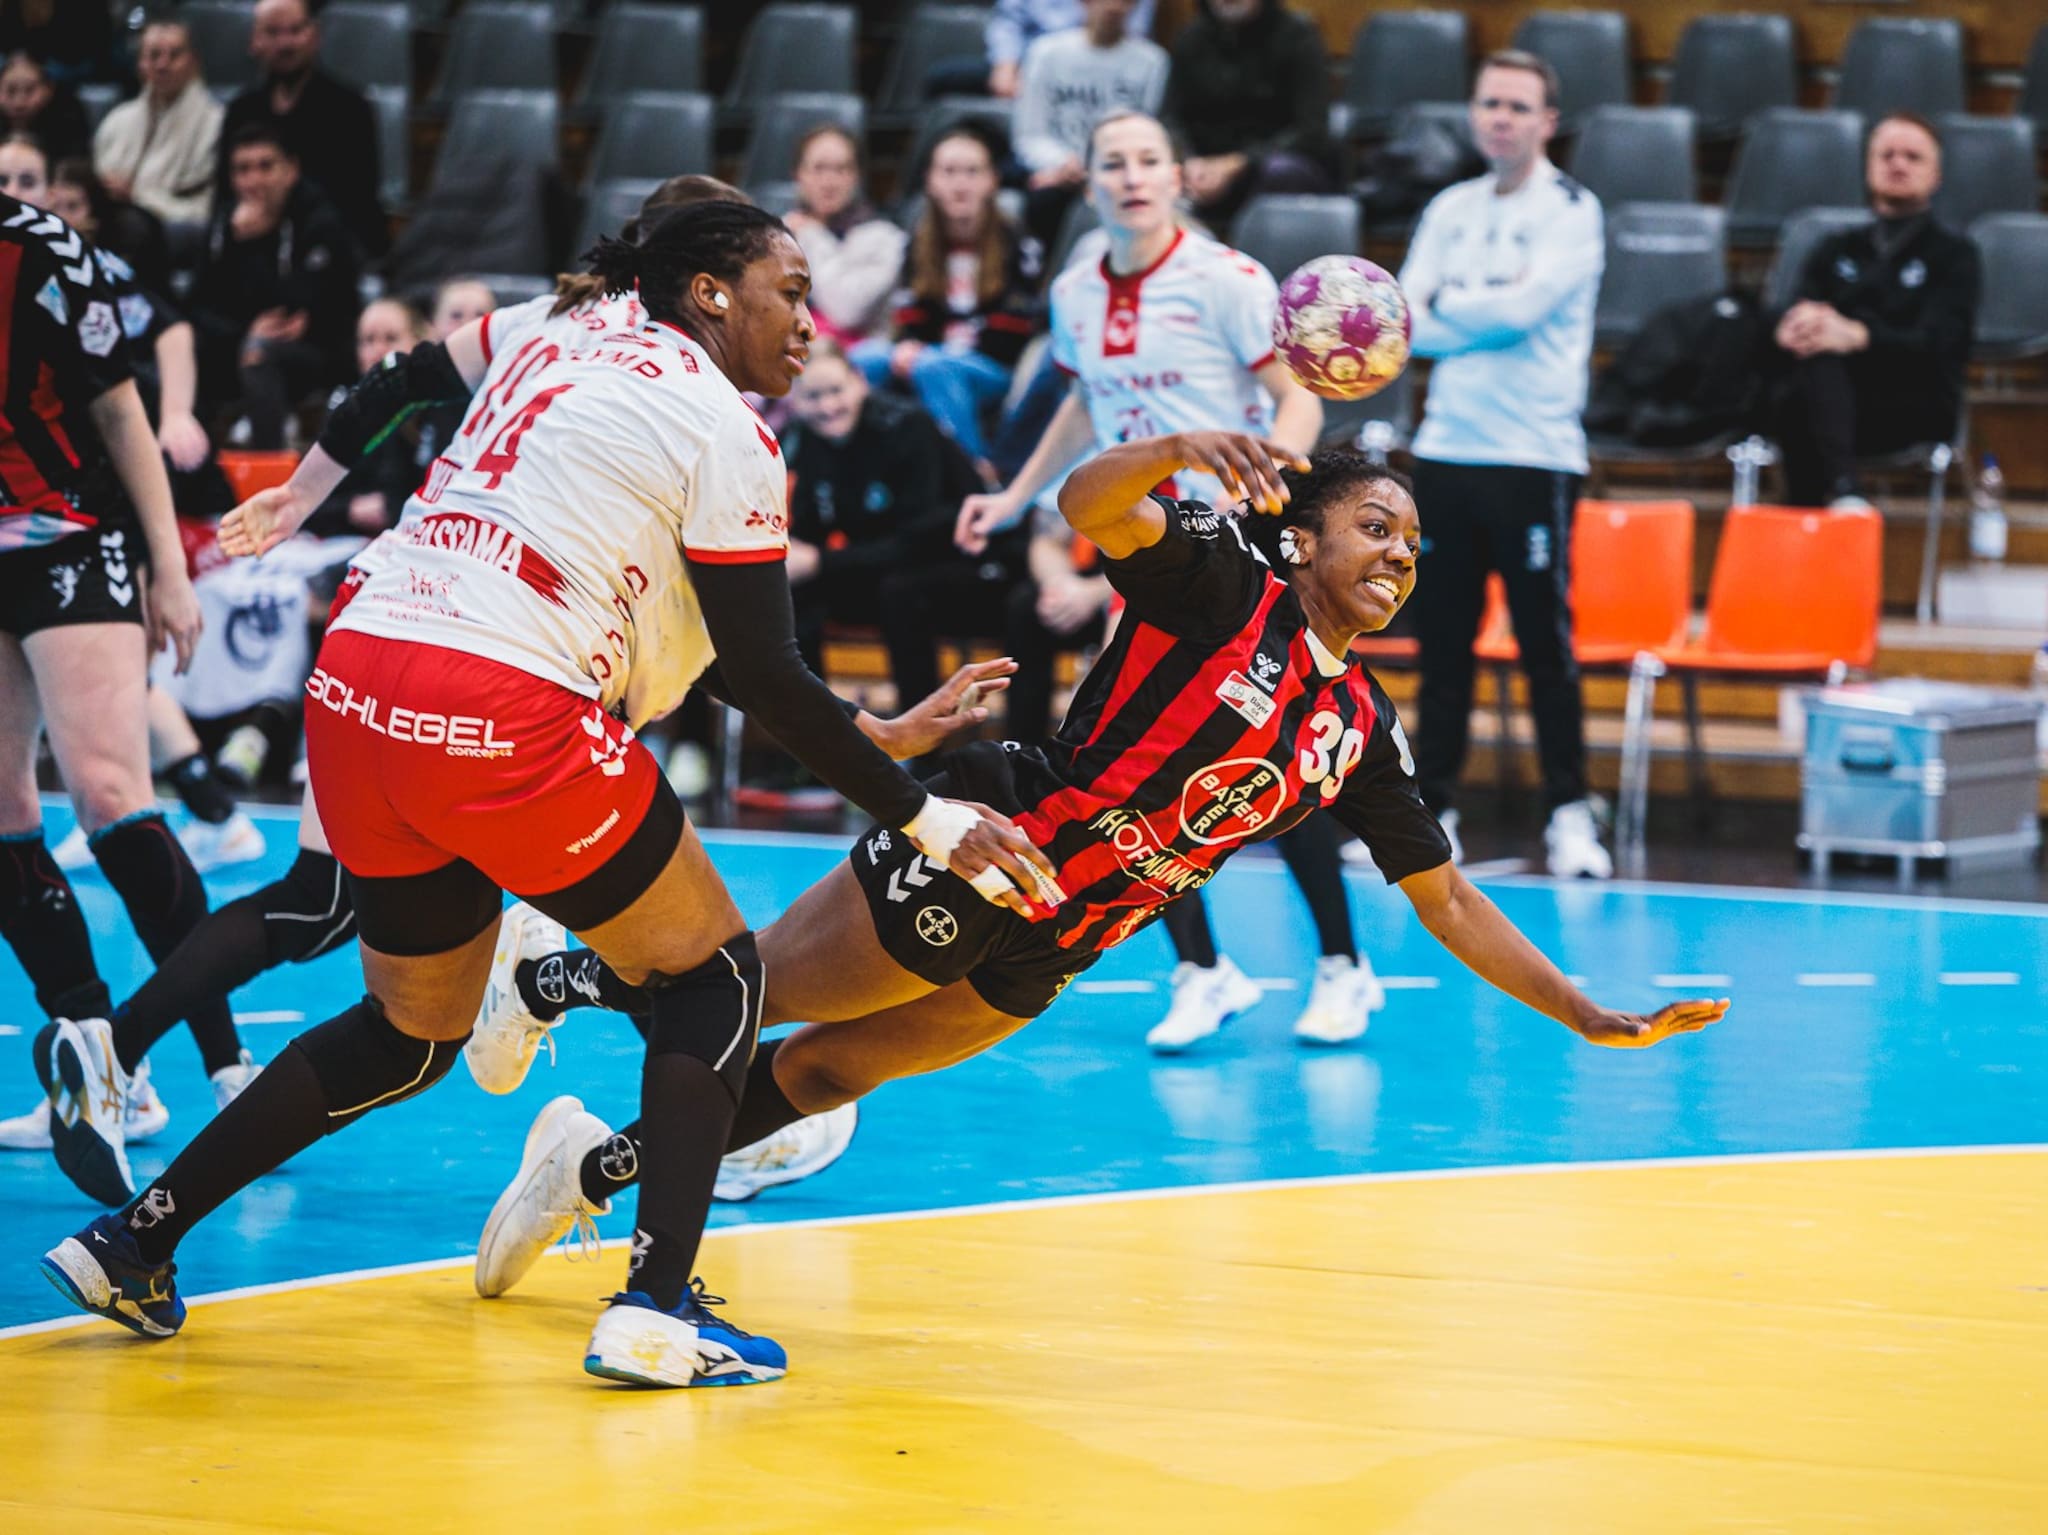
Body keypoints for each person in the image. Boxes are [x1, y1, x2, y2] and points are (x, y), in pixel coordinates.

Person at [39, 198, 1056, 1394]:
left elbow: (413, 381)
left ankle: (132, 1239)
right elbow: (770, 668)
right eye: (788, 288)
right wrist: (922, 811)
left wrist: (308, 495)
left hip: (361, 672)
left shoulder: (557, 330)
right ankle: (653, 1306)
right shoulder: (722, 430)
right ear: (712, 292)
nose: (809, 318)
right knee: (717, 975)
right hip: (504, 699)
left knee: (410, 1033)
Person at [462, 432, 1728, 1300]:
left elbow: (1441, 893)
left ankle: (586, 1166)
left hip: (1065, 938)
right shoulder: (1223, 583)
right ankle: (553, 976)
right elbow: (1085, 505)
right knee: (759, 999)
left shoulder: (1358, 728)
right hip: (991, 845)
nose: (1398, 554)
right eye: (1372, 526)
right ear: (1297, 540)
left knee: (826, 1068)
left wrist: (1578, 1008)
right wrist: (1182, 444)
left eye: (1411, 545)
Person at [955, 110, 1370, 1050]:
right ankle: (1201, 969)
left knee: (1263, 763)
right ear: (1089, 180)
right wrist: (1018, 495)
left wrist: (1268, 492)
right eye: (1114, 162)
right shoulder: (1074, 290)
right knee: (1129, 774)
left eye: (1150, 159)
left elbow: (1296, 393)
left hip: (1234, 548)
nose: (1133, 175)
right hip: (1145, 551)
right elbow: (1082, 403)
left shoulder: (1225, 279)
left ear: (1179, 176)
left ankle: (1345, 965)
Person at [0, 181, 215, 1201]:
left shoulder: (42, 252)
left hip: (70, 537)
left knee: (107, 794)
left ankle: (217, 1054)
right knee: (1, 816)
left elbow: (122, 412)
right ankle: (97, 1067)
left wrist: (168, 568)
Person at [1398, 51, 1610, 881]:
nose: (1502, 118)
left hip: (1534, 456)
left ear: (1547, 121)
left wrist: (1453, 310)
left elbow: (1524, 310)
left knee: (1543, 646)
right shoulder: (1450, 207)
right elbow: (1404, 316)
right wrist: (1462, 314)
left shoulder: (1572, 210)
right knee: (1441, 640)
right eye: (1490, 103)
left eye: (1519, 107)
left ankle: (1569, 814)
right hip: (1447, 448)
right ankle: (1433, 809)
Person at [1768, 113, 1981, 510]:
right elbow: (1798, 309)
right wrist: (1791, 329)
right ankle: (1844, 498)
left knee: (1815, 375)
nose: (1898, 164)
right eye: (1887, 155)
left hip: (1911, 402)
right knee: (1810, 369)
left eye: (1913, 157)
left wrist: (1858, 337)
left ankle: (1818, 510)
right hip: (1827, 401)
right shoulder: (1834, 247)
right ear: (1868, 167)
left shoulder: (1955, 256)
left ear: (1936, 175)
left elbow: (1941, 344)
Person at [782, 338, 995, 693]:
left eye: (836, 391)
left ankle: (919, 740)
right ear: (795, 401)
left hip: (960, 563)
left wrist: (820, 560)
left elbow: (917, 540)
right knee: (793, 598)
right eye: (813, 397)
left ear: (859, 382)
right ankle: (814, 737)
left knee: (900, 593)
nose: (828, 407)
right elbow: (809, 533)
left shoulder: (907, 427)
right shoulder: (801, 441)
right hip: (877, 565)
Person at [856, 125, 1043, 468]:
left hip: (994, 368)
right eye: (949, 172)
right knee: (863, 358)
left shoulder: (1017, 242)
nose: (960, 183)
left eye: (972, 172)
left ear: (992, 181)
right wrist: (910, 345)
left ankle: (973, 475)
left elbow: (1014, 331)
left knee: (934, 367)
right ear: (930, 180)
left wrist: (926, 351)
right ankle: (863, 469)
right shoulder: (918, 240)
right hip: (933, 356)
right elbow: (911, 311)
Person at [190, 123, 360, 449]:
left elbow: (302, 308)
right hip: (236, 340)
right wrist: (243, 330)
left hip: (316, 351)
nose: (253, 180)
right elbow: (197, 304)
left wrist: (255, 244)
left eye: (265, 166)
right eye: (242, 170)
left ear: (291, 169)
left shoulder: (320, 219)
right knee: (185, 346)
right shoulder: (224, 223)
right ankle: (193, 471)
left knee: (260, 354)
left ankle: (268, 470)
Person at [217, 0, 383, 260]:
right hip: (251, 236)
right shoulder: (241, 110)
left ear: (315, 36)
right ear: (255, 40)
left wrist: (278, 216)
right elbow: (224, 191)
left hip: (329, 240)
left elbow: (356, 200)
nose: (285, 43)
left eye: (295, 30)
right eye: (273, 32)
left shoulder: (350, 108)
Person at [1161, 0, 1332, 228]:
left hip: (1267, 164)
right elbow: (1170, 118)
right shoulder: (1190, 38)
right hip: (1203, 167)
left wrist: (1238, 163)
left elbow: (1312, 129)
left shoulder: (1297, 37)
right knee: (1158, 171)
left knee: (1282, 171)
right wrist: (1189, 160)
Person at [1014, 0, 1168, 247]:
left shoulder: (1152, 61)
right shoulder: (1046, 53)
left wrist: (1103, 166)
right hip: (1060, 172)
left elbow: (1148, 133)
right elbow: (1030, 134)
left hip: (1122, 170)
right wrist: (1060, 163)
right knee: (1042, 199)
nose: (1115, 6)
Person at [90, 16, 222, 228]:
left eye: (174, 55)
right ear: (140, 64)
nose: (162, 64)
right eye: (153, 55)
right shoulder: (117, 119)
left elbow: (204, 207)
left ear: (194, 61)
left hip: (178, 228)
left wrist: (137, 196)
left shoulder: (216, 124)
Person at [783, 125, 905, 347]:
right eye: (819, 168)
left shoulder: (885, 239)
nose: (829, 181)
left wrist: (812, 235)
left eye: (841, 169)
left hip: (860, 361)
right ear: (798, 175)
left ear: (856, 176)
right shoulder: (780, 234)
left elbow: (846, 311)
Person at [0, 49, 83, 160]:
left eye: (29, 90)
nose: (19, 103)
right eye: (11, 90)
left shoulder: (69, 117)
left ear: (48, 90)